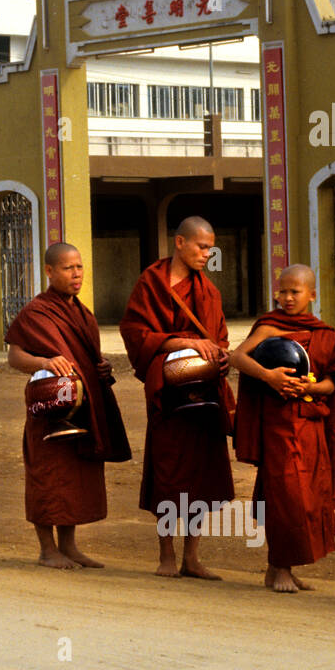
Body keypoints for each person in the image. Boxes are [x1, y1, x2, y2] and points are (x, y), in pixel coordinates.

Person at [230, 264, 335, 593]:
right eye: (282, 291)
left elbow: (332, 384)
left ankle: (278, 567)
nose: (287, 298)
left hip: (312, 428)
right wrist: (269, 376)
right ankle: (282, 566)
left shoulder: (327, 336)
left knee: (310, 496)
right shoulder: (270, 327)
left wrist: (309, 389)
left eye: (295, 292)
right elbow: (237, 357)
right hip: (279, 427)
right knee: (286, 496)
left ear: (312, 295)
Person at [120, 216, 234, 579]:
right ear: (180, 243)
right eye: (201, 246)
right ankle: (166, 554)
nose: (206, 254)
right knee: (168, 472)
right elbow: (136, 333)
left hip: (203, 395)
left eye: (210, 248)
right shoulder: (150, 284)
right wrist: (183, 342)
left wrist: (220, 355)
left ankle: (193, 556)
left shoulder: (209, 292)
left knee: (201, 474)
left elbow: (219, 338)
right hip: (168, 394)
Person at [6, 242, 130, 569]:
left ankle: (69, 546)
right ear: (49, 271)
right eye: (67, 268)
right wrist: (45, 361)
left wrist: (100, 367)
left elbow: (86, 357)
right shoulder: (37, 311)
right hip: (50, 408)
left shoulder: (83, 313)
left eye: (79, 267)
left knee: (75, 474)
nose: (76, 274)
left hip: (82, 406)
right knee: (48, 474)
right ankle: (47, 550)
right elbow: (14, 356)